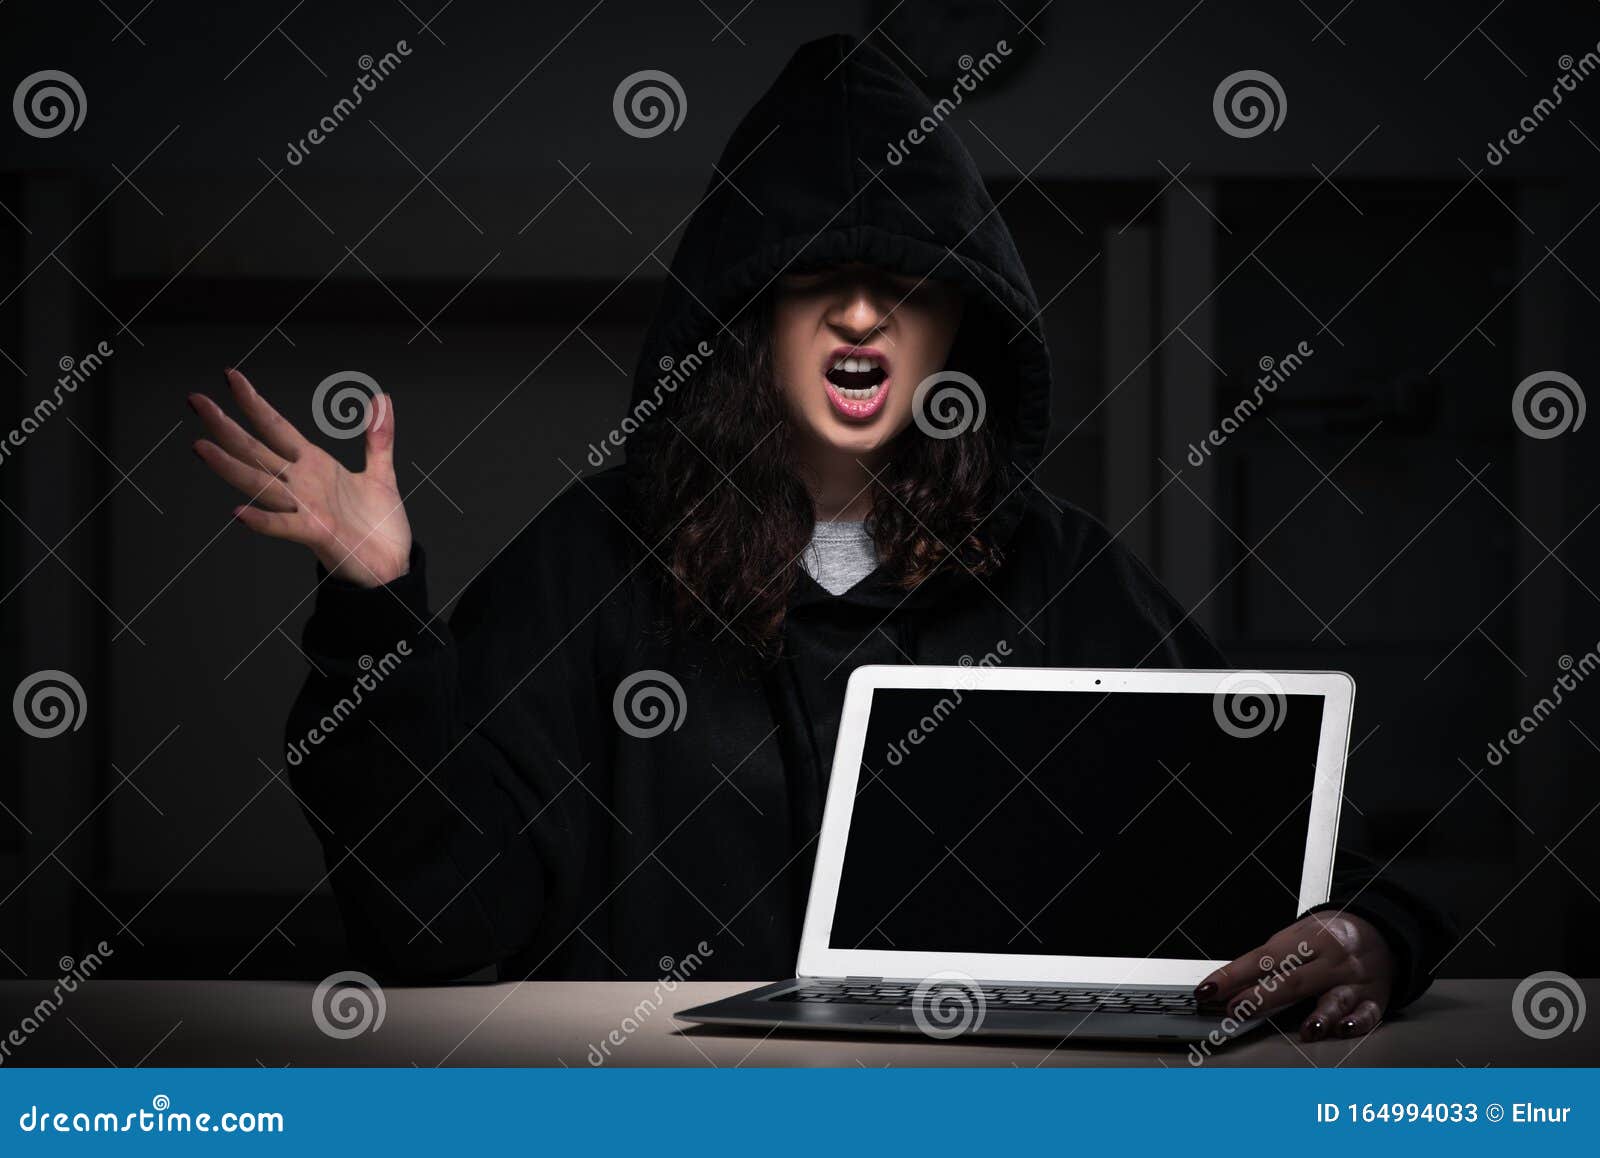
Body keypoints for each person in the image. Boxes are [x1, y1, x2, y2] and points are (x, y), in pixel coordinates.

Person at [188, 35, 1450, 1041]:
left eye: (902, 283)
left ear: (959, 324)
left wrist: (1378, 934)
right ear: (751, 313)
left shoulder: (1059, 572)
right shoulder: (594, 561)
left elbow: (1299, 866)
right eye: (816, 279)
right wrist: (375, 603)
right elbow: (439, 924)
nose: (859, 314)